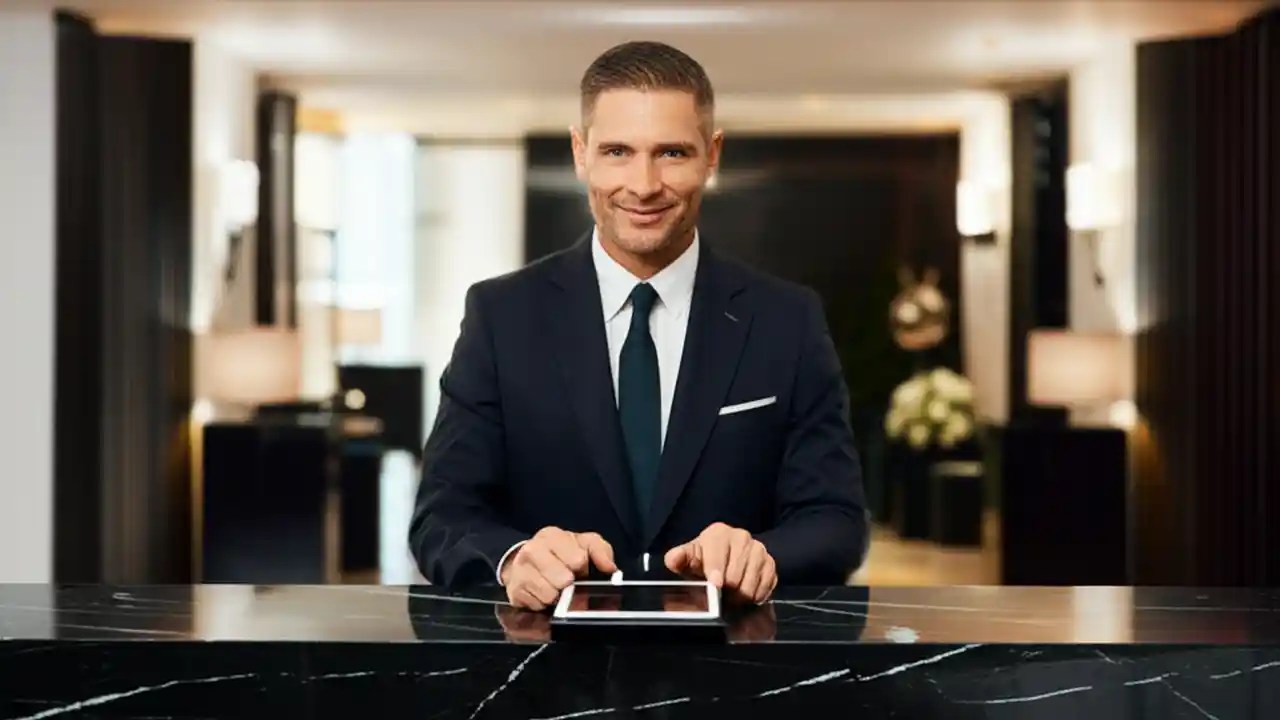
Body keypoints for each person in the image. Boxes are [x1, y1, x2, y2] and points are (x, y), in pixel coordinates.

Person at [409, 40, 868, 610]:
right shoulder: (500, 316)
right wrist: (513, 558)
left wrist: (763, 554)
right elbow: (442, 516)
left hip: (734, 677)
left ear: (712, 155)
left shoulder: (787, 320)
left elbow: (835, 520)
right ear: (581, 154)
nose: (644, 184)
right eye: (618, 151)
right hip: (548, 677)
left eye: (672, 153)